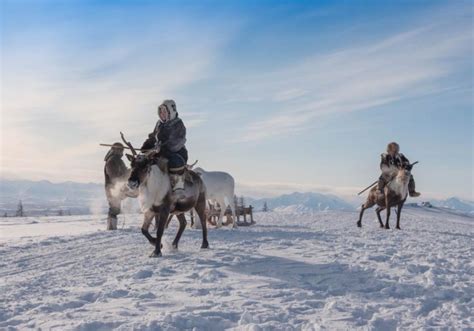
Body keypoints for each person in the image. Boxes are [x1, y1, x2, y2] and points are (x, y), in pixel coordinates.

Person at [140, 99, 188, 192]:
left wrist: (161, 148)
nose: (162, 113)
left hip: (176, 152)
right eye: (160, 111)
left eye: (165, 111)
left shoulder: (178, 124)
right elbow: (154, 137)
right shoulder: (159, 124)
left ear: (171, 111)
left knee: (175, 162)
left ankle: (178, 187)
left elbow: (176, 141)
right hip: (159, 152)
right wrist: (146, 146)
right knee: (144, 162)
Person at [104, 142, 129, 230]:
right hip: (112, 188)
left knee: (116, 209)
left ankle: (112, 228)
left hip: (119, 188)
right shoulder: (111, 161)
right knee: (114, 209)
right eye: (118, 149)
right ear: (113, 150)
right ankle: (111, 228)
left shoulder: (118, 160)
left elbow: (125, 172)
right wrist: (127, 175)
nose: (121, 151)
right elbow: (114, 177)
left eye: (121, 150)